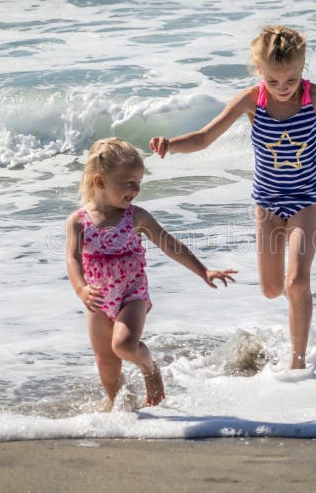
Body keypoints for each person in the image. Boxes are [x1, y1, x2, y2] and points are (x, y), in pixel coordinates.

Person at [150, 25, 316, 370]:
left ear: (302, 69)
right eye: (273, 81)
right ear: (259, 74)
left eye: (291, 80)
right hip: (266, 202)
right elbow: (206, 137)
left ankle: (297, 366)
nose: (283, 89)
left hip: (305, 199)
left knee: (296, 282)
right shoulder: (251, 100)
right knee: (271, 289)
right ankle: (298, 319)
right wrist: (171, 145)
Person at [66, 137, 237, 408]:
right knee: (106, 363)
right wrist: (81, 289)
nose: (136, 189)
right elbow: (72, 259)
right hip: (97, 300)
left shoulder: (136, 217)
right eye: (129, 183)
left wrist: (203, 271)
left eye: (139, 182)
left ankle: (149, 368)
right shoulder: (78, 221)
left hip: (131, 295)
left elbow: (169, 244)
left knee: (122, 346)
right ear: (100, 182)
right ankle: (121, 411)